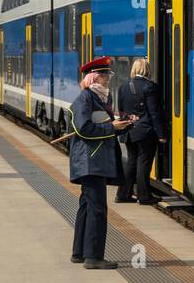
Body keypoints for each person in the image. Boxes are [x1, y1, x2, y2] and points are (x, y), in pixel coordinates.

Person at [68, 56, 133, 269]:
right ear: (93, 77)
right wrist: (111, 128)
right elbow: (83, 128)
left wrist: (123, 124)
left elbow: (102, 124)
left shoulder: (98, 99)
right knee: (97, 209)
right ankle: (94, 257)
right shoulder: (85, 99)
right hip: (90, 162)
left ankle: (79, 253)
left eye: (108, 75)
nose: (108, 80)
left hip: (94, 161)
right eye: (104, 76)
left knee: (87, 207)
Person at [115, 57, 169, 205]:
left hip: (128, 129)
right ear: (147, 69)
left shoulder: (123, 86)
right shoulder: (150, 87)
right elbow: (154, 113)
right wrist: (162, 134)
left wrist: (128, 121)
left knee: (131, 162)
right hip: (145, 131)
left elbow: (121, 110)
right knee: (143, 163)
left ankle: (123, 194)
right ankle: (144, 196)